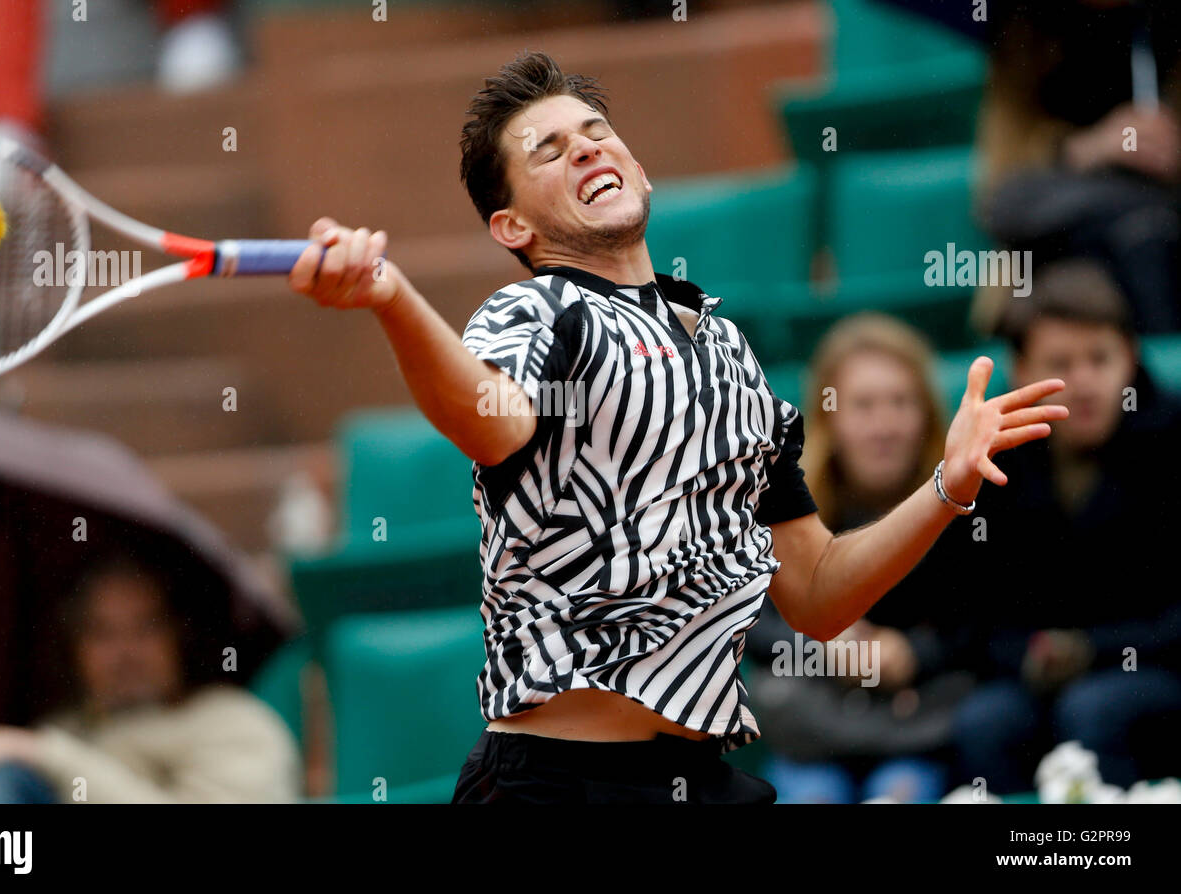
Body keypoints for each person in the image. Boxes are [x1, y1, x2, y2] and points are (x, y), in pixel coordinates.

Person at [284, 51, 1067, 805]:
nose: (586, 149)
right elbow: (490, 420)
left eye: (595, 132)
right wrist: (391, 298)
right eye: (549, 151)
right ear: (512, 226)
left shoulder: (728, 351)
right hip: (554, 784)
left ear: (639, 169)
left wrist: (946, 487)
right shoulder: (539, 312)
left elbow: (817, 595)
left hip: (699, 778)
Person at [953, 259, 1181, 793]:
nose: (1083, 383)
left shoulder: (1173, 444)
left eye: (1099, 359)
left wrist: (1092, 650)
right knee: (984, 723)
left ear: (1130, 355)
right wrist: (1033, 656)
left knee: (1094, 710)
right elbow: (973, 620)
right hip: (1033, 681)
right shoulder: (991, 463)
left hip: (1156, 671)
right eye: (1060, 364)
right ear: (1018, 366)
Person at [744, 314, 977, 803]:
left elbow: (980, 625)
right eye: (864, 406)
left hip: (917, 718)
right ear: (829, 416)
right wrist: (829, 642)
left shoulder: (963, 502)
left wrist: (909, 653)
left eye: (900, 403)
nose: (884, 425)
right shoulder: (787, 504)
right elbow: (752, 620)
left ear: (928, 413)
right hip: (815, 730)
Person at [0, 558, 301, 803]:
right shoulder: (61, 729)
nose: (125, 652)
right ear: (75, 647)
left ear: (179, 634)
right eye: (101, 632)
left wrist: (43, 754)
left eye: (145, 626)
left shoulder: (236, 724)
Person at [973, 0, 1181, 335]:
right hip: (1061, 254)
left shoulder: (1158, 29)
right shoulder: (1023, 37)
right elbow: (1000, 196)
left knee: (1146, 226)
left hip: (1164, 239)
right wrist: (1093, 147)